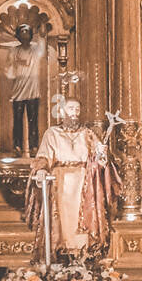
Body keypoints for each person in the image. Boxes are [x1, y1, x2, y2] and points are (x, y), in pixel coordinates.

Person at [24, 99, 117, 260]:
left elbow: (100, 160)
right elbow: (43, 156)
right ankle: (61, 251)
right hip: (60, 181)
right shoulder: (52, 133)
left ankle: (82, 253)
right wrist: (41, 170)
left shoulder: (88, 134)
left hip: (84, 181)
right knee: (61, 219)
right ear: (62, 112)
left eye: (77, 109)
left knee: (83, 218)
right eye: (70, 108)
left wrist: (102, 155)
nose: (74, 112)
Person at [1, 24, 45, 156]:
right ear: (18, 36)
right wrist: (16, 67)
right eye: (22, 32)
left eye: (27, 32)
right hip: (18, 90)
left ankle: (34, 147)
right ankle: (17, 146)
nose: (25, 35)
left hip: (33, 90)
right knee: (18, 120)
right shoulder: (13, 51)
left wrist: (42, 32)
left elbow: (42, 44)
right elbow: (8, 72)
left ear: (31, 35)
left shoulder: (36, 49)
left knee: (33, 120)